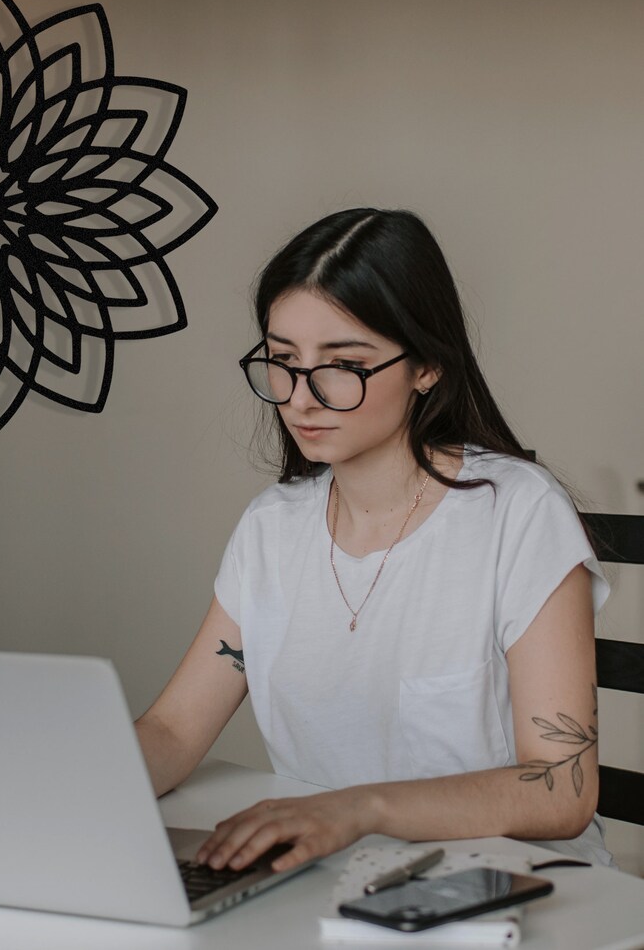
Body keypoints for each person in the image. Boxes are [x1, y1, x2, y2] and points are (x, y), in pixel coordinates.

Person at [135, 206, 611, 872]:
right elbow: (174, 731)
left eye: (342, 364)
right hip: (329, 885)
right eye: (281, 361)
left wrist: (358, 810)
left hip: (511, 889)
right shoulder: (272, 529)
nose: (301, 398)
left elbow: (564, 789)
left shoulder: (520, 515)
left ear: (427, 367)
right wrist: (62, 783)